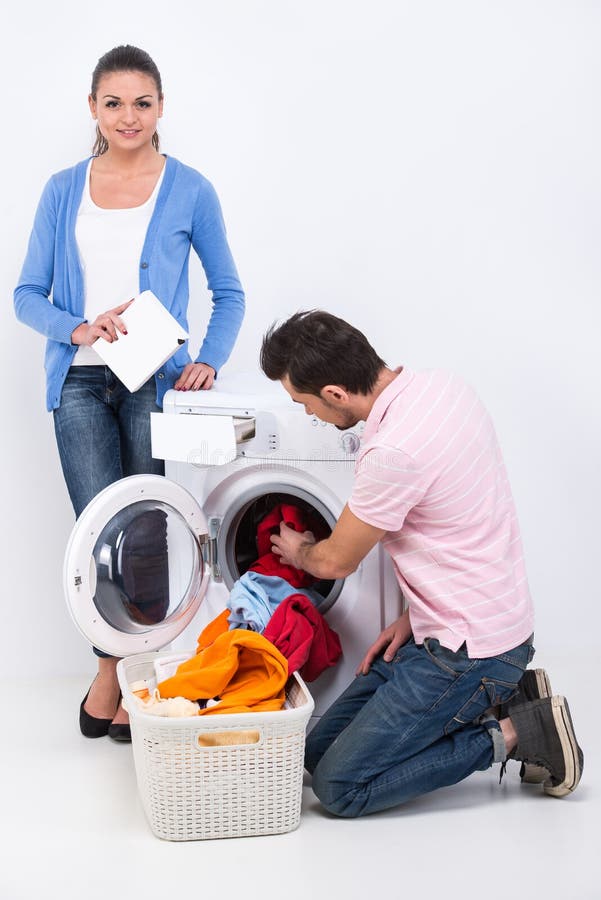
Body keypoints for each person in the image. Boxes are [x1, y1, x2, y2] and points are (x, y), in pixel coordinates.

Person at [260, 310, 583, 817]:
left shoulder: (392, 452)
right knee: (316, 753)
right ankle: (508, 694)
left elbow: (336, 560)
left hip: (469, 654)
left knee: (339, 788)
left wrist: (296, 548)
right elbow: (463, 518)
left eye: (305, 405)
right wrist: (415, 617)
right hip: (459, 625)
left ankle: (520, 730)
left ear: (336, 394)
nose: (310, 417)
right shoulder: (443, 388)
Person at [14, 45, 245, 743]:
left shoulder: (190, 189)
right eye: (113, 102)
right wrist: (79, 325)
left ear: (161, 107)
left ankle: (124, 677)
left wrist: (206, 360)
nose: (128, 116)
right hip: (80, 382)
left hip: (152, 385)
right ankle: (115, 671)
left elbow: (227, 291)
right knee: (98, 537)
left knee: (146, 538)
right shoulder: (62, 189)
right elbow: (26, 296)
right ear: (93, 108)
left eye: (142, 102)